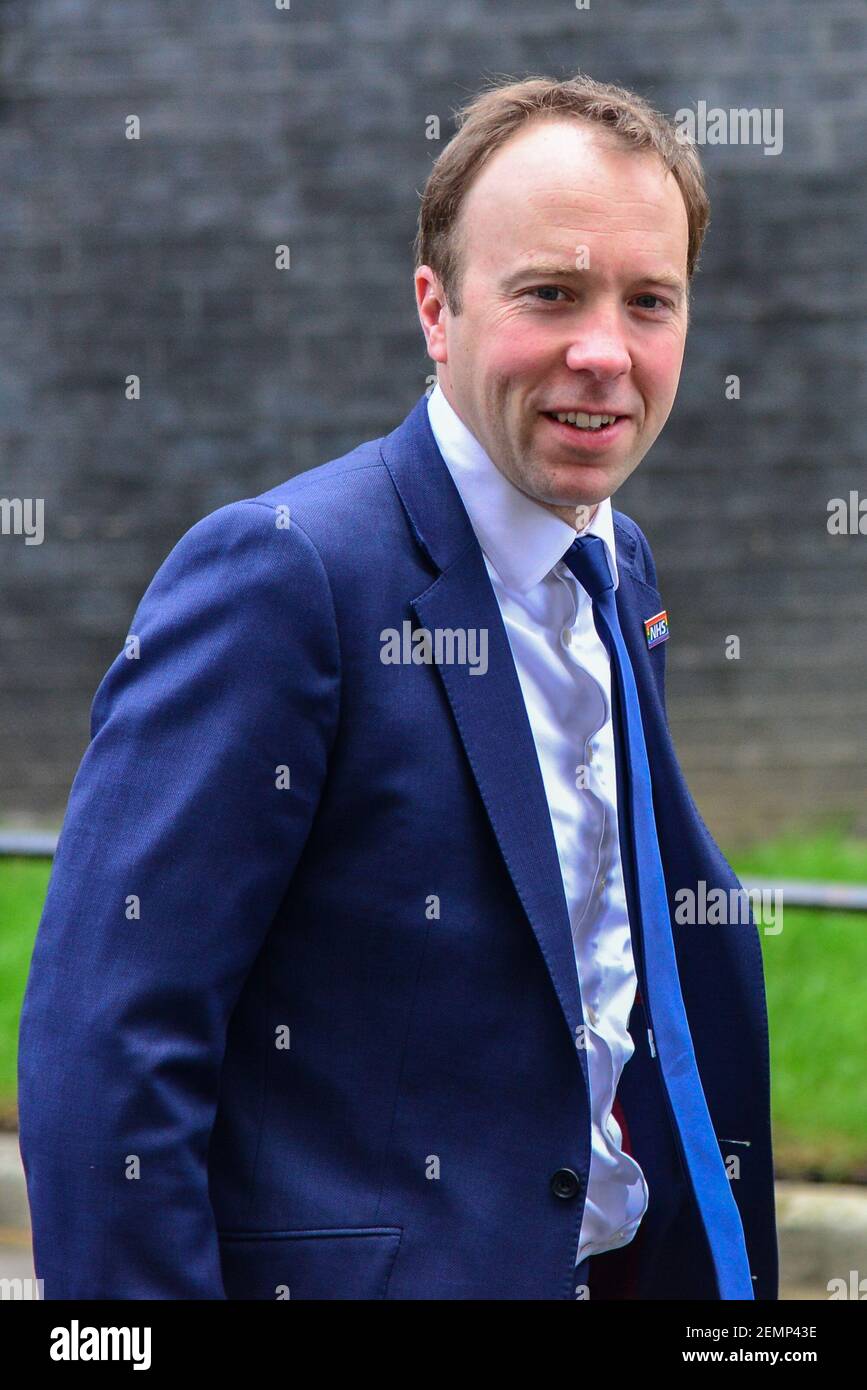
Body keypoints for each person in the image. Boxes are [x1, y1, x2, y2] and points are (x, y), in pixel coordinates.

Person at [17, 73, 777, 1300]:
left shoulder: (617, 565)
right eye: (549, 294)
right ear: (436, 309)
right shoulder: (284, 576)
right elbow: (104, 1044)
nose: (606, 350)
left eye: (651, 301)